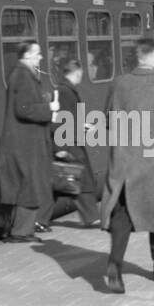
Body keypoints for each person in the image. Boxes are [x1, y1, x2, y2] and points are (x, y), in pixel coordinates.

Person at [100, 38, 154, 293]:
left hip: (124, 158)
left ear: (137, 58)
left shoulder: (119, 83)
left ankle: (115, 265)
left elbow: (107, 118)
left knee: (123, 213)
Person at [0, 41, 58, 242]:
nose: (41, 57)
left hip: (25, 141)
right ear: (28, 55)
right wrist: (50, 108)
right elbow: (24, 109)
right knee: (28, 186)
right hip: (24, 142)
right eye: (38, 54)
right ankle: (21, 232)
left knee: (26, 185)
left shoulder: (22, 74)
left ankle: (22, 230)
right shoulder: (22, 76)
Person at [52, 59, 99, 228]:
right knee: (81, 176)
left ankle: (39, 218)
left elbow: (68, 117)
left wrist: (83, 125)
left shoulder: (66, 90)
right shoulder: (65, 91)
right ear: (77, 73)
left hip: (70, 139)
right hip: (67, 141)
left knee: (59, 183)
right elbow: (58, 120)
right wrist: (60, 148)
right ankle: (91, 217)